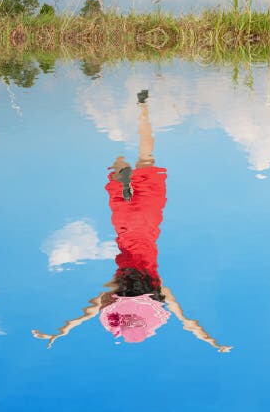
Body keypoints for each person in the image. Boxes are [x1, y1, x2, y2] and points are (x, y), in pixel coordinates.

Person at [32, 92, 231, 349]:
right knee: (118, 165)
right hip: (124, 223)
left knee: (146, 159)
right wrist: (61, 332)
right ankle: (120, 159)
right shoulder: (115, 284)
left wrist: (211, 341)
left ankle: (142, 108)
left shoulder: (158, 286)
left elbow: (186, 320)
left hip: (148, 219)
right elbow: (87, 312)